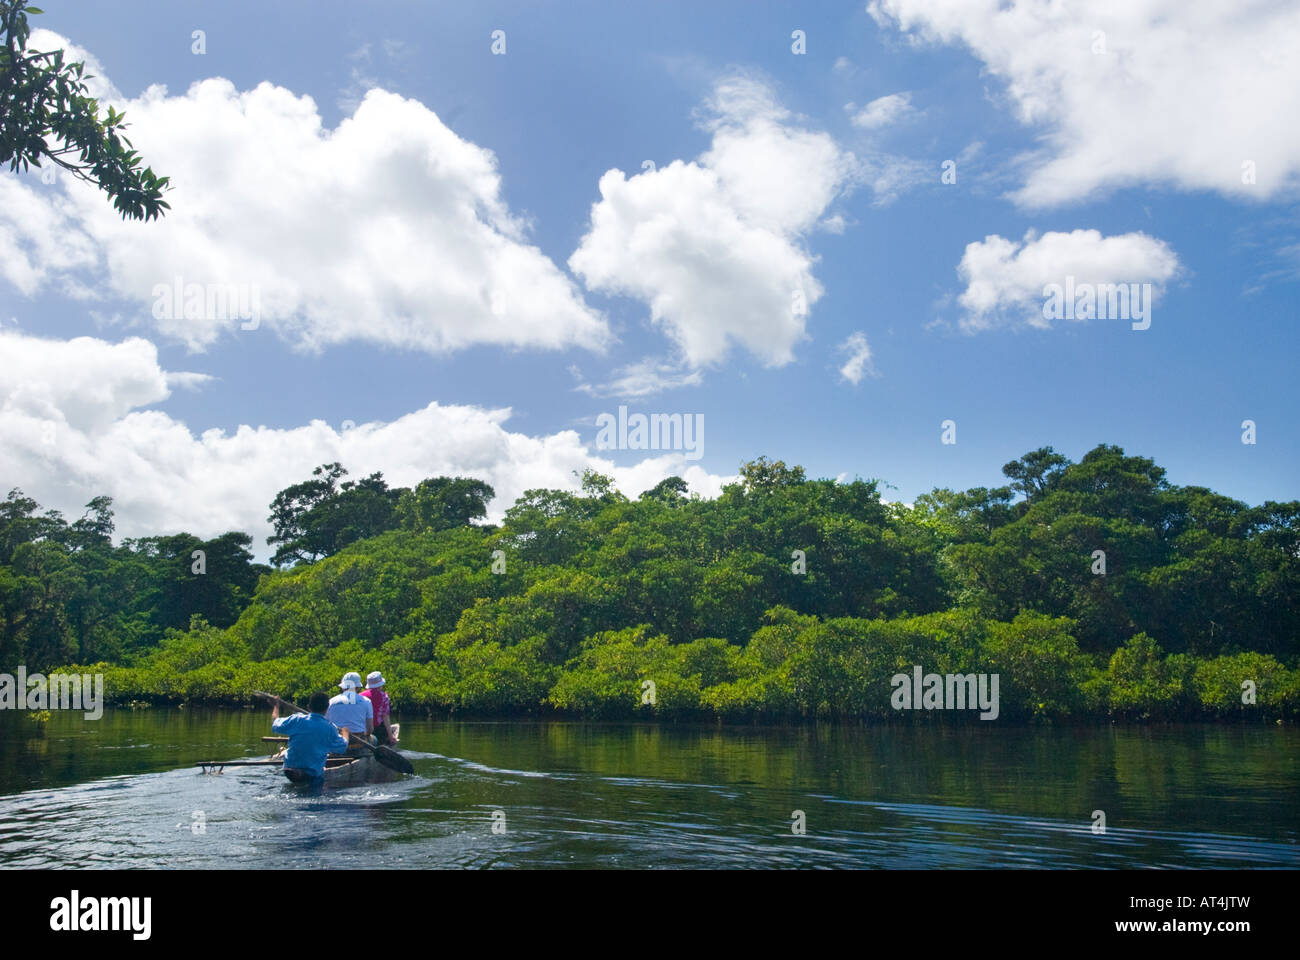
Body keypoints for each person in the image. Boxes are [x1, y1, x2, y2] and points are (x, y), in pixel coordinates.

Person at [271, 692, 348, 786]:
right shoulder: (329, 727)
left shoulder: (297, 719)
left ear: (308, 707)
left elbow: (275, 724)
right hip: (313, 774)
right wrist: (345, 733)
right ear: (327, 708)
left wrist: (276, 706)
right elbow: (342, 748)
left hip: (290, 767)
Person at [326, 672, 373, 743]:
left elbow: (326, 724)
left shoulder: (331, 701)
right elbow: (370, 729)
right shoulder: (366, 701)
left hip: (337, 742)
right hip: (358, 743)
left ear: (343, 687)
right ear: (357, 687)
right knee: (374, 739)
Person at [360, 671, 393, 745]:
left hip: (362, 729)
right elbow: (385, 718)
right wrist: (391, 737)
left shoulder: (360, 696)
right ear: (380, 685)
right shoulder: (384, 696)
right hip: (377, 730)